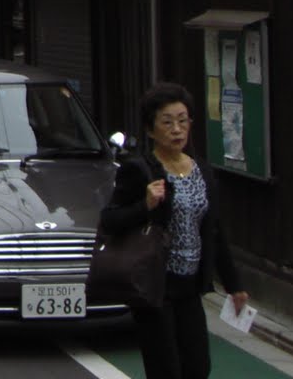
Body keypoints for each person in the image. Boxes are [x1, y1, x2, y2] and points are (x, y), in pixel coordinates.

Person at [100, 81, 247, 379]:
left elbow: (214, 230)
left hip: (190, 286)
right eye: (167, 122)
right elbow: (110, 220)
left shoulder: (201, 170)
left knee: (197, 367)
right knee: (166, 369)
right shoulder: (140, 170)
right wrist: (145, 205)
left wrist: (234, 285)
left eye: (183, 121)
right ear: (152, 129)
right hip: (155, 284)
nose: (177, 129)